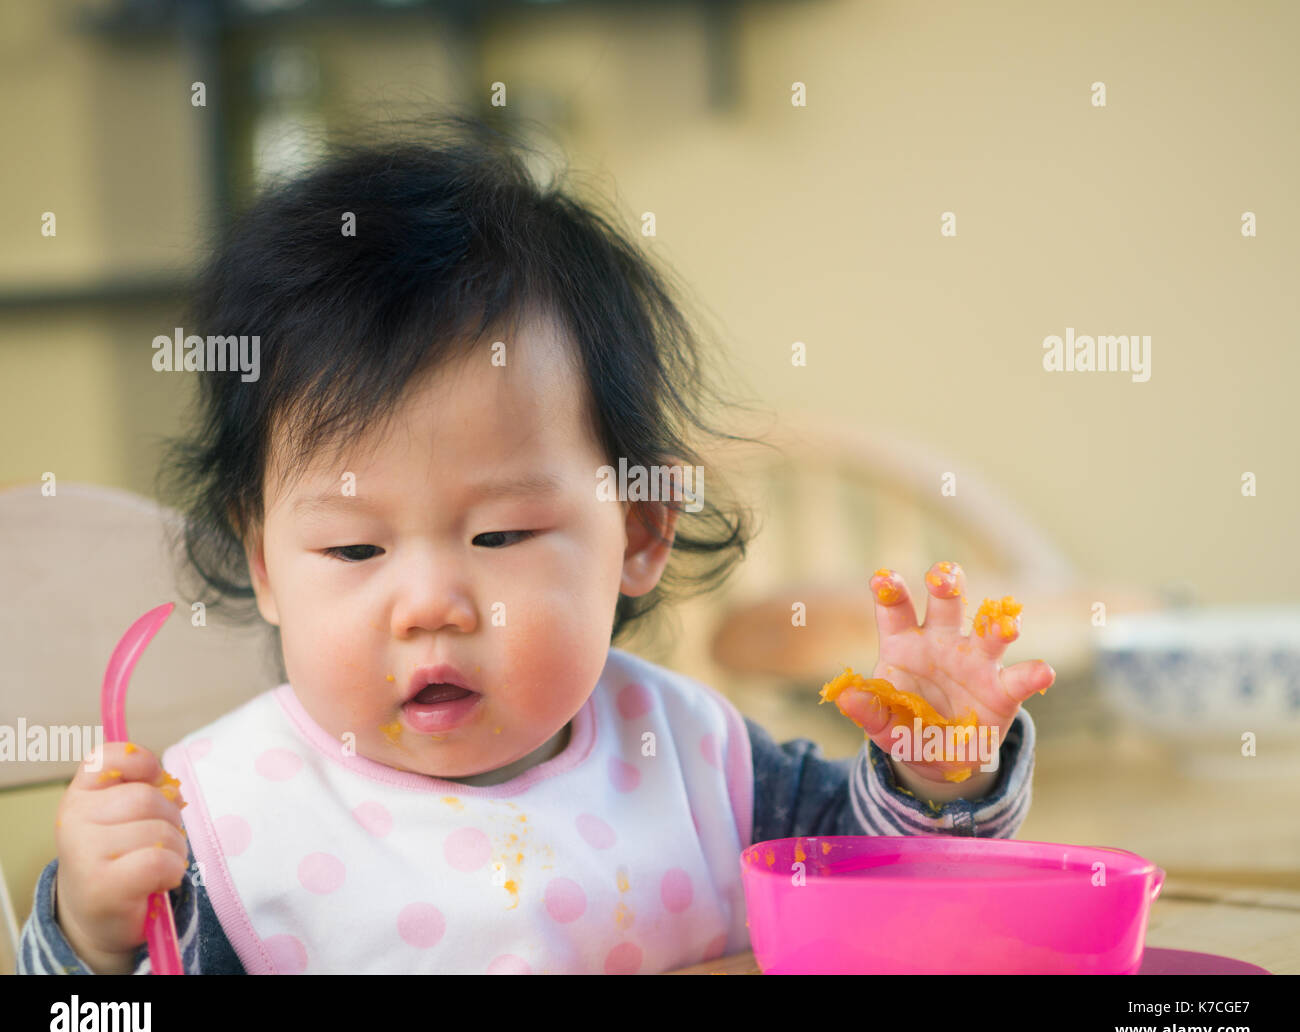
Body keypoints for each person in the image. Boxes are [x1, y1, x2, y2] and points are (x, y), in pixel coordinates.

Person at [19, 115, 1048, 975]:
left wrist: (939, 776)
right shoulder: (219, 827)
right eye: (352, 551)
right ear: (263, 568)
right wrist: (92, 937)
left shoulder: (693, 758)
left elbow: (888, 902)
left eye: (500, 532)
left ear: (640, 531)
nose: (428, 603)